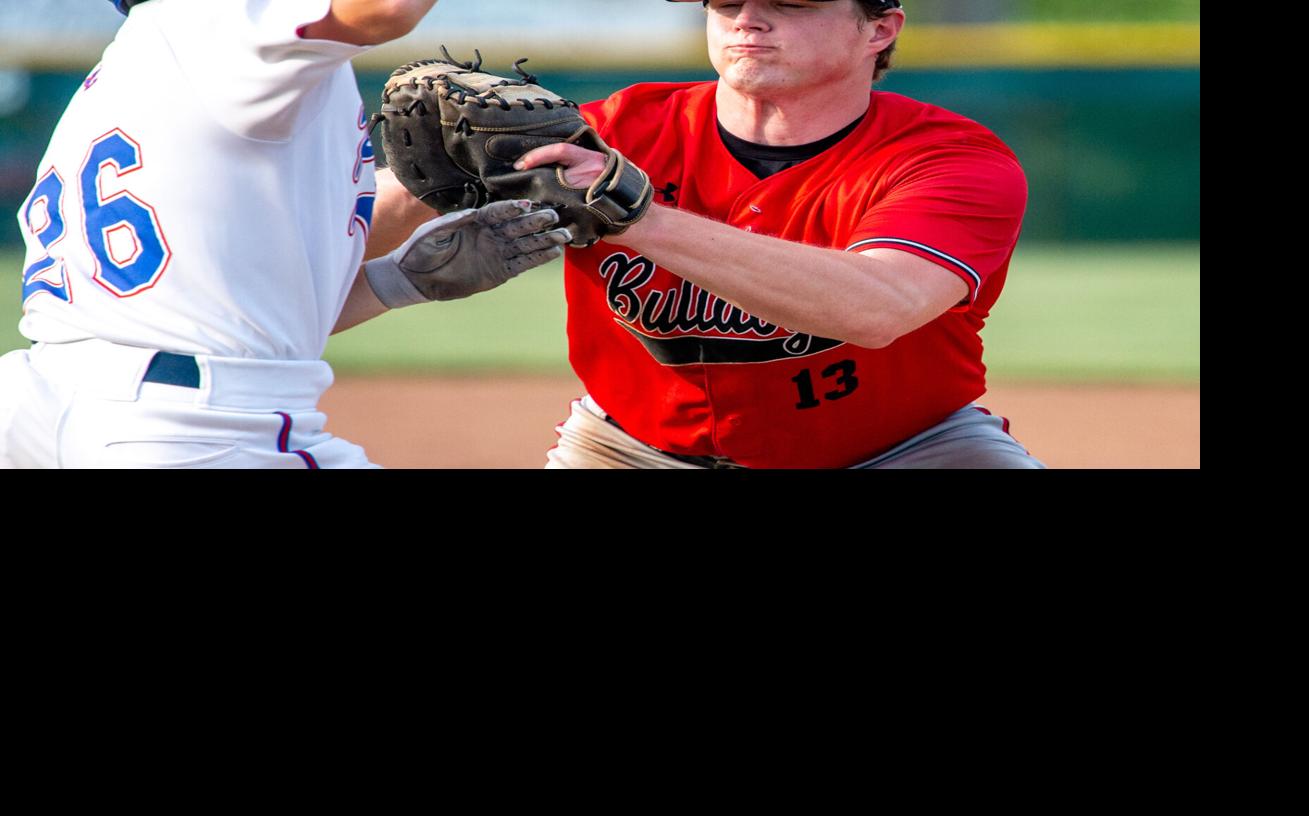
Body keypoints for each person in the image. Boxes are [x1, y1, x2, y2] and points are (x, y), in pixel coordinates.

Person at [1, 0, 567, 469]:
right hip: (194, 433)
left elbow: (228, 296)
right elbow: (388, 8)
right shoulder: (222, 20)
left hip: (49, 403)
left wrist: (400, 280)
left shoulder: (140, 62)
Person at [517, 0, 1044, 469]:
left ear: (879, 30)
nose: (748, 19)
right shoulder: (609, 133)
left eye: (791, 3)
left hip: (906, 448)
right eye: (726, 3)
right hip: (629, 447)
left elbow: (879, 306)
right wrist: (436, 212)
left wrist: (639, 217)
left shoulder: (949, 160)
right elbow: (435, 226)